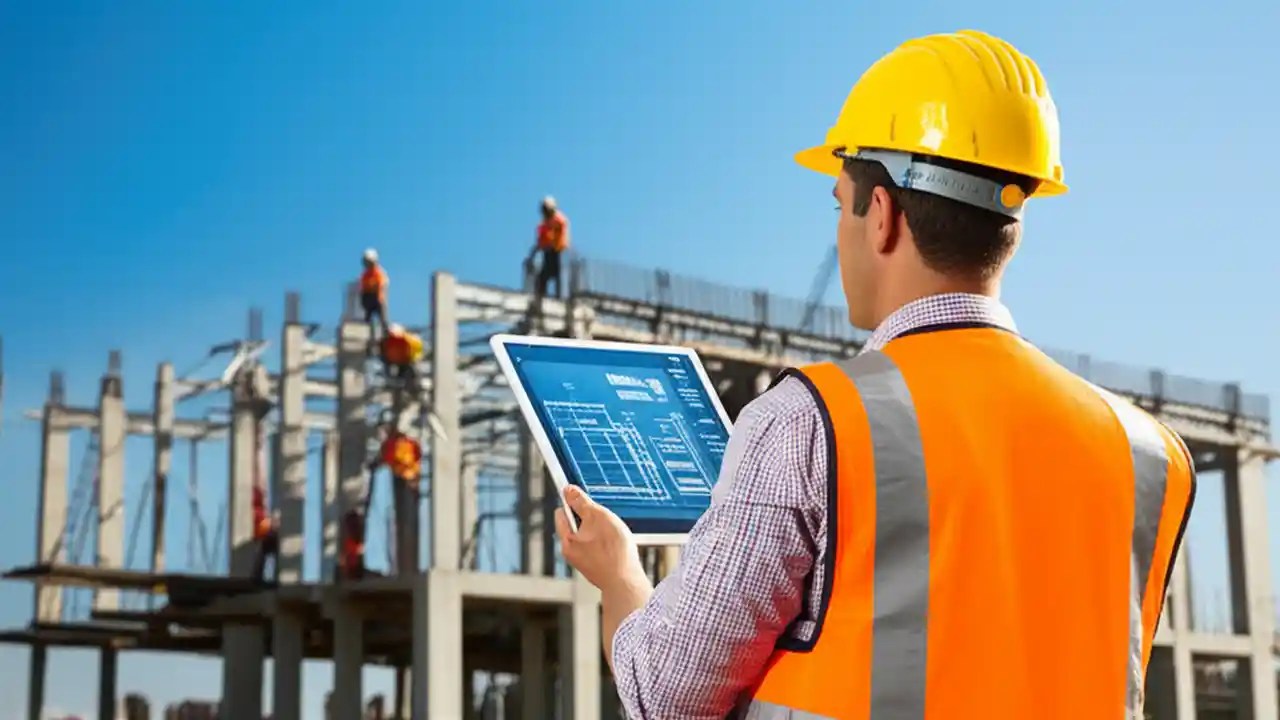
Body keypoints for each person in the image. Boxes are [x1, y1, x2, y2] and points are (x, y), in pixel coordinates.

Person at [553, 29, 1196, 719]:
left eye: (839, 203)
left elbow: (664, 695)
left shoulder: (807, 421)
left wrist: (618, 577)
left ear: (881, 215)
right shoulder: (1148, 454)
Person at [527, 195, 570, 297]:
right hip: (549, 253)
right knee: (543, 276)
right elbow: (540, 242)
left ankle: (559, 297)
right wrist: (533, 254)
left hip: (559, 252)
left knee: (559, 275)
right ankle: (541, 296)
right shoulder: (543, 225)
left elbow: (560, 237)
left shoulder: (560, 220)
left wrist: (549, 244)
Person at [359, 248, 390, 336]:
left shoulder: (379, 273)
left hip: (377, 299)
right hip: (368, 299)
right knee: (367, 320)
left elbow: (381, 286)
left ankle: (385, 335)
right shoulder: (365, 275)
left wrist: (379, 298)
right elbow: (363, 288)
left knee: (383, 320)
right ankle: (366, 335)